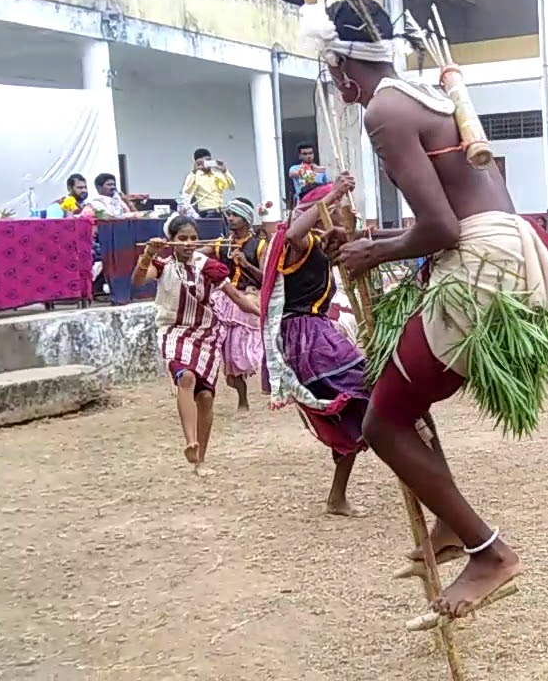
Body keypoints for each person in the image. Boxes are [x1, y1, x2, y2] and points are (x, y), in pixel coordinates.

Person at [304, 0, 548, 618]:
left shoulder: (384, 109)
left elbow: (441, 228)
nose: (336, 88)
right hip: (501, 244)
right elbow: (451, 214)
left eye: (332, 74)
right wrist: (368, 243)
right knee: (400, 391)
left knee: (381, 423)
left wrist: (373, 257)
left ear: (345, 65)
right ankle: (450, 526)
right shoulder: (425, 96)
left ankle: (489, 552)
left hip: (477, 257)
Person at [261, 175, 376, 516]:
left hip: (320, 331)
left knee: (353, 417)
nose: (342, 214)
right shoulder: (297, 241)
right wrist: (332, 195)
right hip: (305, 336)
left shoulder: (323, 245)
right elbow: (295, 232)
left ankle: (336, 498)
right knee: (369, 388)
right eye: (337, 209)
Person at [132, 214, 261, 475]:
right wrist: (147, 254)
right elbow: (137, 280)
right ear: (171, 241)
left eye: (192, 238)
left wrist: (265, 316)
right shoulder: (162, 265)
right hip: (174, 332)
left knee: (205, 396)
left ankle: (201, 459)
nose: (189, 244)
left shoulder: (208, 267)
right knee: (186, 378)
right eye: (182, 239)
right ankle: (190, 441)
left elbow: (236, 297)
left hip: (207, 335)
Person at [207, 197, 267, 411]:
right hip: (222, 300)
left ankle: (244, 398)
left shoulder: (260, 246)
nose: (230, 219)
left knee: (239, 353)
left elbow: (266, 278)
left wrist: (245, 264)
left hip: (248, 300)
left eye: (235, 215)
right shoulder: (220, 244)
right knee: (222, 353)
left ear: (246, 219)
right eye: (229, 215)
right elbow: (195, 256)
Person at [182, 148, 236, 218]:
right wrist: (196, 216)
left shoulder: (217, 175)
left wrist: (225, 171)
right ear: (197, 162)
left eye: (209, 160)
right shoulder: (194, 176)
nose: (207, 163)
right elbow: (186, 194)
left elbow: (232, 187)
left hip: (221, 212)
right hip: (206, 213)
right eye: (203, 161)